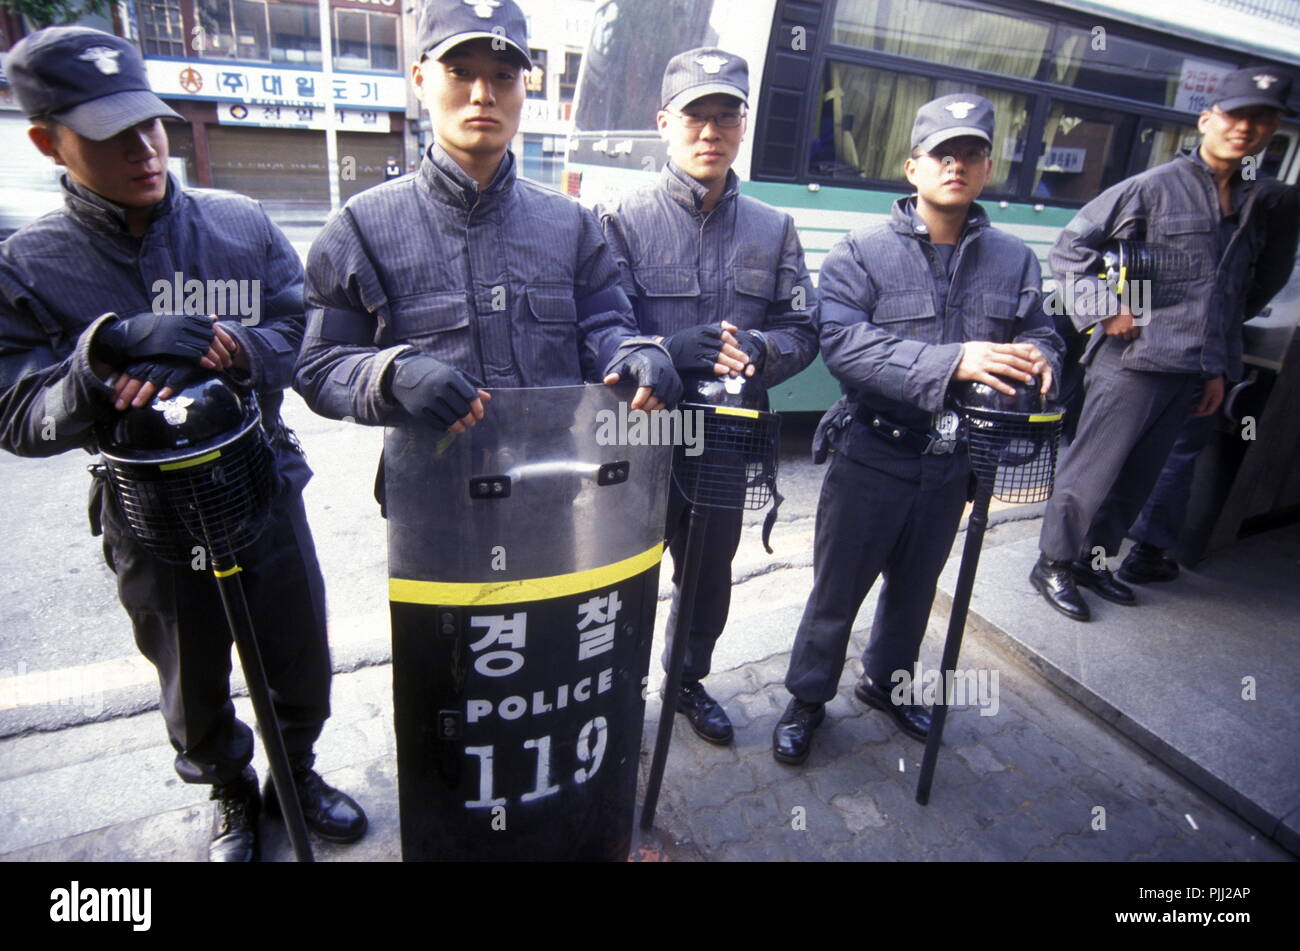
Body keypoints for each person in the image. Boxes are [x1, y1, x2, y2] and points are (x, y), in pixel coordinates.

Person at [0, 26, 366, 861]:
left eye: (151, 124)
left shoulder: (235, 224)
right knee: (190, 682)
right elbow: (16, 411)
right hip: (150, 517)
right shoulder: (28, 267)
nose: (143, 148)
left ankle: (295, 775)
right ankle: (233, 792)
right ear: (46, 140)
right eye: (107, 133)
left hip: (261, 484)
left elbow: (304, 329)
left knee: (299, 654)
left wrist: (235, 346)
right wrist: (98, 359)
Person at [771, 94, 1062, 764]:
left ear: (988, 168)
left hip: (955, 460)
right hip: (873, 449)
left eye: (971, 154)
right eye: (942, 153)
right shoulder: (861, 251)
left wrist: (1044, 354)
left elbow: (1042, 329)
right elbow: (843, 344)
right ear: (913, 167)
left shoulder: (1015, 261)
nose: (956, 165)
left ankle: (886, 683)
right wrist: (955, 359)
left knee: (915, 586)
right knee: (837, 589)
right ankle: (808, 697)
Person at [292, 0, 678, 473]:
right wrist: (390, 373)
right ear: (419, 79)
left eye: (502, 76)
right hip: (433, 506)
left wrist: (636, 353)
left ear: (523, 87)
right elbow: (318, 365)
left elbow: (605, 327)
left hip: (555, 486)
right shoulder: (361, 228)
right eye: (459, 72)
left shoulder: (571, 224)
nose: (482, 94)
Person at [595, 48, 817, 745]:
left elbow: (804, 329)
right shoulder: (618, 218)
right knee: (618, 577)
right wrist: (662, 353)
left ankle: (687, 679)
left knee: (708, 576)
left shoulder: (774, 228)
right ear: (665, 122)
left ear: (743, 127)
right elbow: (597, 327)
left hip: (723, 439)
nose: (709, 132)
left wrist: (759, 350)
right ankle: (611, 688)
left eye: (725, 116)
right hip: (639, 436)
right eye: (695, 116)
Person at [1031, 67, 1293, 620]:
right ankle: (1053, 562)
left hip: (1192, 370)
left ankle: (1092, 562)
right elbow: (1070, 249)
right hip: (1132, 362)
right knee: (1092, 471)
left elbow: (1230, 294)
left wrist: (1218, 369)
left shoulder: (1252, 203)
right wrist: (1107, 311)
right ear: (1206, 119)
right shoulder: (1154, 187)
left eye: (1260, 119)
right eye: (1233, 115)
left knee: (1138, 479)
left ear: (1272, 131)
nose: (1244, 129)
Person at [1117, 176, 1298, 583]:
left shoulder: (1179, 194)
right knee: (1177, 452)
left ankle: (1087, 550)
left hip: (1146, 348)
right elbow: (1263, 286)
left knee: (1124, 445)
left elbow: (1126, 262)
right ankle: (1144, 552)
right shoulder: (1269, 212)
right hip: (1195, 353)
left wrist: (1128, 311)